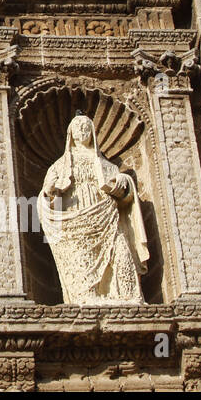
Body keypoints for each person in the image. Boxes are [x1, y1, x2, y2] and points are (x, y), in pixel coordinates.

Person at [37, 114, 149, 303]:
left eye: (87, 125)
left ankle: (128, 297)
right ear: (70, 133)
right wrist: (49, 192)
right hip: (76, 219)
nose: (83, 129)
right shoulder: (59, 167)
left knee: (122, 254)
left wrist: (124, 182)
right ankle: (87, 298)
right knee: (82, 261)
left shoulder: (107, 165)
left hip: (108, 216)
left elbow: (124, 198)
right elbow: (46, 200)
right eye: (78, 126)